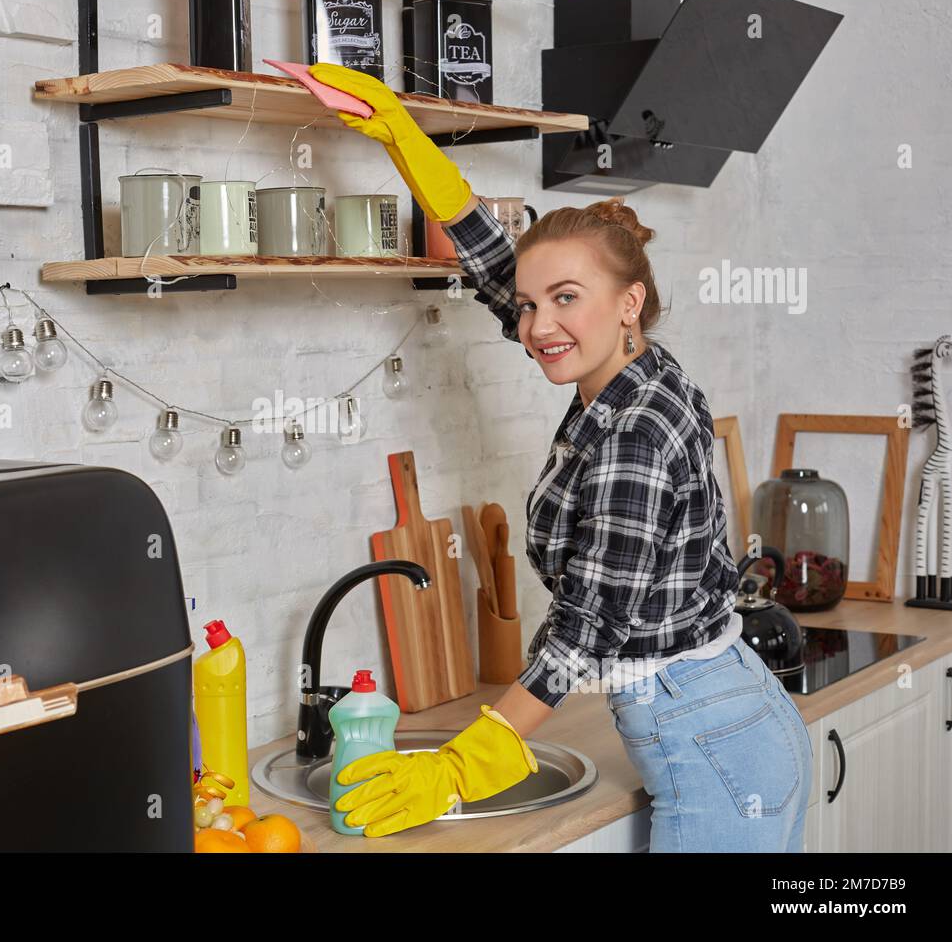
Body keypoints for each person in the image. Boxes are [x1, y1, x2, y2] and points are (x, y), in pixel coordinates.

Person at [308, 63, 814, 851]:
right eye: (532, 304)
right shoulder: (632, 365)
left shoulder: (634, 432)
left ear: (629, 303)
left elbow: (587, 631)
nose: (539, 324)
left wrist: (456, 768)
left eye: (566, 298)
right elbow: (498, 269)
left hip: (711, 743)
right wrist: (403, 137)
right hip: (721, 712)